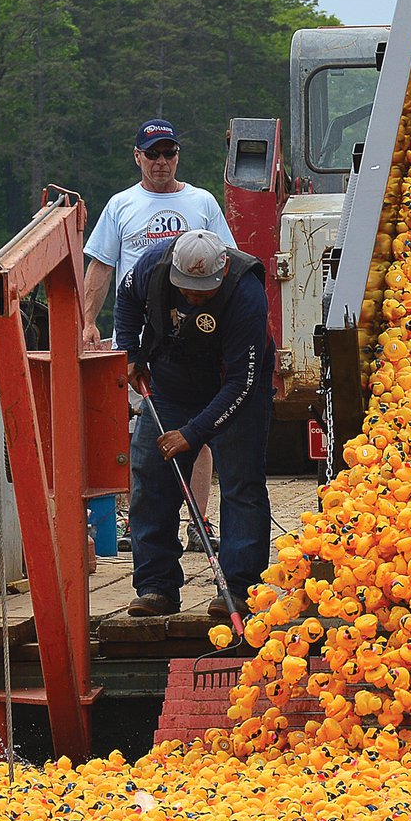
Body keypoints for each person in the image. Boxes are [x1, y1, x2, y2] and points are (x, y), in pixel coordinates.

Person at [82, 118, 235, 552]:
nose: (162, 161)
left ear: (178, 157)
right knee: (133, 430)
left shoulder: (202, 201)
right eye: (153, 154)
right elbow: (101, 268)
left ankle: (199, 521)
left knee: (199, 427)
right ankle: (138, 520)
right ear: (137, 158)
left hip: (197, 334)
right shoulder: (120, 205)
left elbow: (230, 261)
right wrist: (89, 322)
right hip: (140, 333)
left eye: (169, 153)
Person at [115, 229, 274, 619]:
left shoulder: (246, 295)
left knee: (241, 484)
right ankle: (156, 586)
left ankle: (238, 587)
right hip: (171, 381)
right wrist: (131, 351)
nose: (193, 296)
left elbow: (243, 383)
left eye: (202, 291)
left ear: (219, 275)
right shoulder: (153, 265)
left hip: (233, 386)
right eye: (186, 289)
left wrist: (193, 433)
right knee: (151, 477)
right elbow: (126, 300)